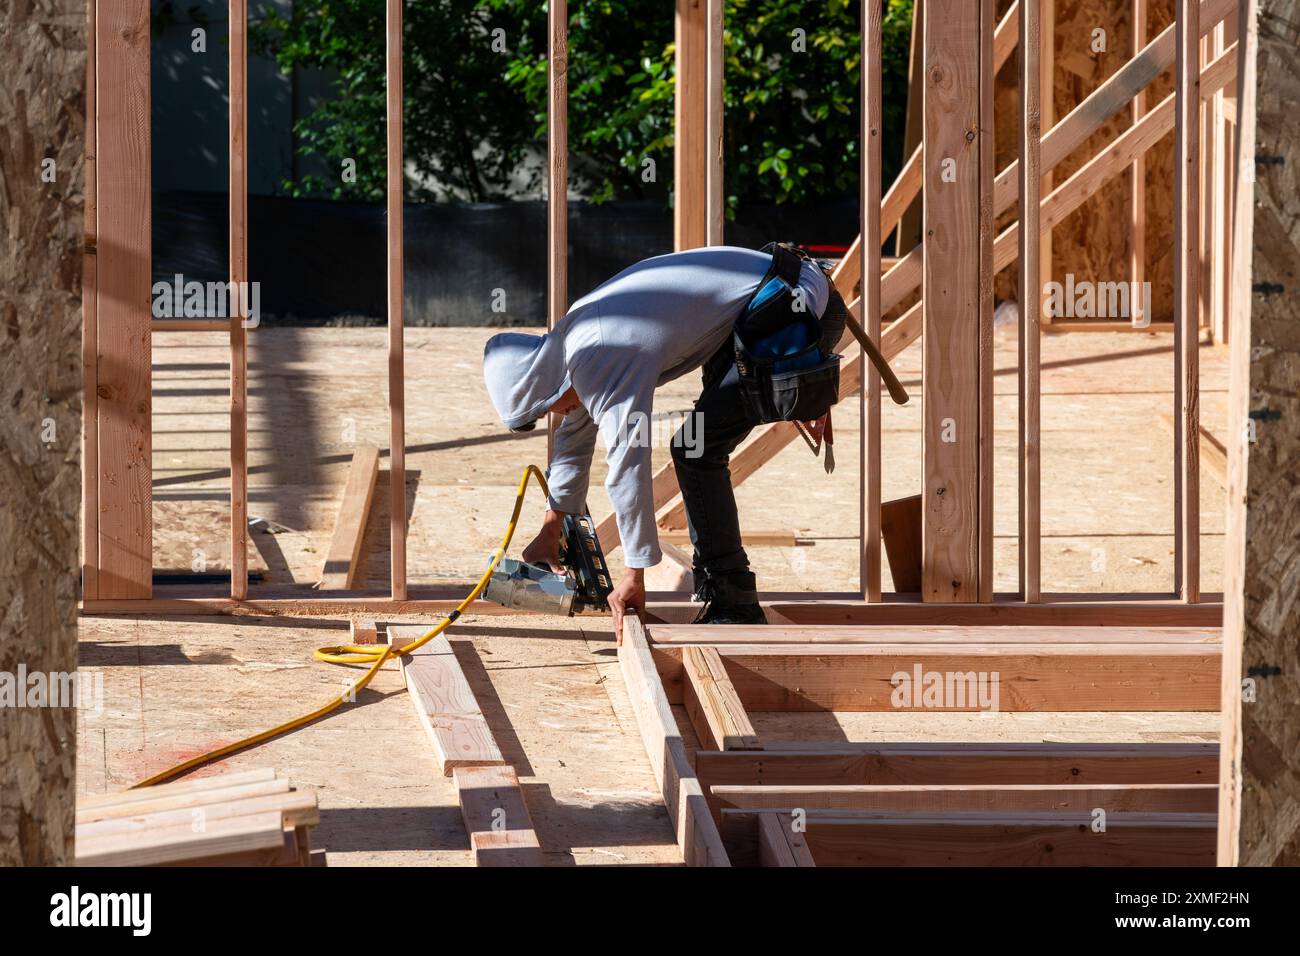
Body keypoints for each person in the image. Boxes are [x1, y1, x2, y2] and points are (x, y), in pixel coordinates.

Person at [481, 244, 847, 637]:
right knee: (696, 445)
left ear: (543, 389)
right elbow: (575, 436)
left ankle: (734, 604)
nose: (558, 415)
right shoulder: (574, 343)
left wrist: (635, 574)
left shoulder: (601, 350)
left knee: (697, 448)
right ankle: (720, 589)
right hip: (769, 301)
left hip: (790, 312)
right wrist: (551, 530)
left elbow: (628, 461)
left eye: (546, 410)